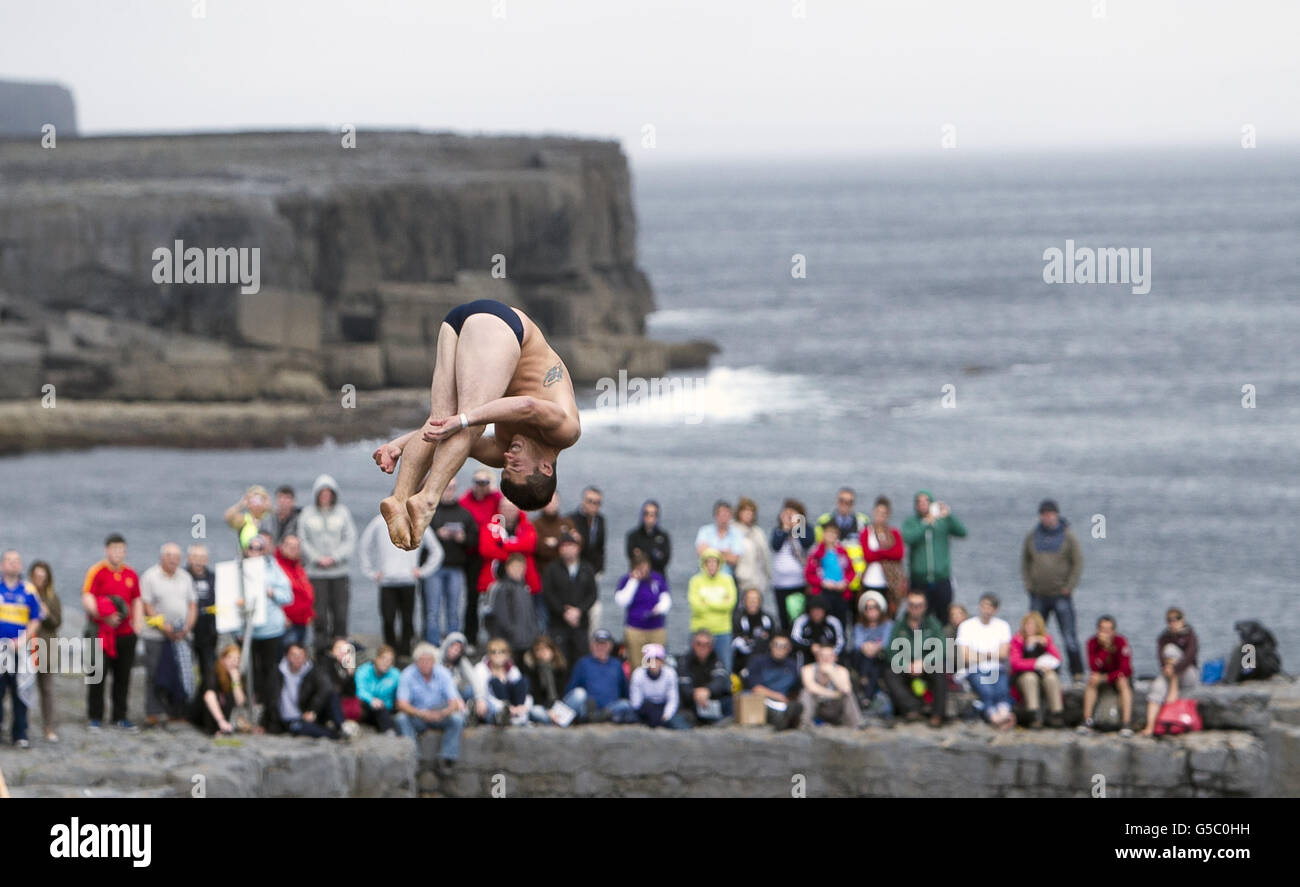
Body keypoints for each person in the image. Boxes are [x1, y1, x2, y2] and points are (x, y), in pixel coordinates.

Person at [373, 299, 583, 553]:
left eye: (506, 466)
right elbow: (528, 405)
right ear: (546, 467)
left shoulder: (501, 451)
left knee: (439, 420)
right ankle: (429, 500)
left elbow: (445, 433)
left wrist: (398, 446)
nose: (508, 457)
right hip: (503, 328)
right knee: (470, 424)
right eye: (515, 465)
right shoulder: (566, 432)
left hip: (456, 325)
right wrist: (465, 419)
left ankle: (399, 498)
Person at [82, 533, 144, 731]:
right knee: (97, 675)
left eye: (121, 550)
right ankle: (95, 716)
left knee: (123, 677)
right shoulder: (97, 571)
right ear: (107, 550)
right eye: (114, 549)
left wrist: (138, 627)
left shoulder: (131, 574)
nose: (118, 553)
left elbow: (136, 600)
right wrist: (101, 614)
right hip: (100, 632)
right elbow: (87, 596)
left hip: (125, 633)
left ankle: (120, 715)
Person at [360, 511, 441, 659]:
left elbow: (437, 550)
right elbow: (365, 545)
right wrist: (371, 572)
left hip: (408, 580)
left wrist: (422, 571)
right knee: (388, 618)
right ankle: (389, 652)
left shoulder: (417, 521)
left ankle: (405, 652)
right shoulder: (379, 522)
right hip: (387, 581)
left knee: (407, 619)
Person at [1021, 499, 1085, 682]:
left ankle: (1077, 673)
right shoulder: (1032, 536)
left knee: (1069, 636)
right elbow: (1025, 561)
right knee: (1033, 634)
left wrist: (1070, 586)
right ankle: (1034, 670)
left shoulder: (1068, 536)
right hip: (1038, 595)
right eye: (1044, 514)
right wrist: (1028, 584)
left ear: (1056, 515)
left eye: (1051, 514)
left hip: (1061, 595)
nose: (1048, 518)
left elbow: (1078, 563)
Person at [139, 542, 198, 727]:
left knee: (180, 673)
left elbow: (192, 604)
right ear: (162, 557)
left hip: (182, 635)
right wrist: (165, 628)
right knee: (155, 673)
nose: (174, 560)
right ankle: (153, 712)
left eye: (177, 557)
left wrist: (187, 627)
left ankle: (176, 711)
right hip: (155, 635)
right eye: (170, 556)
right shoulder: (150, 577)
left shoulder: (185, 577)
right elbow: (147, 606)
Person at [299, 474, 358, 654]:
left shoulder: (343, 513)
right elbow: (302, 539)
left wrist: (335, 557)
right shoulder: (307, 514)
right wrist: (317, 558)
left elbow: (350, 538)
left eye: (328, 492)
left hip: (339, 573)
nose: (325, 496)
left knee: (340, 616)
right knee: (319, 617)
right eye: (322, 492)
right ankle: (321, 654)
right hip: (316, 574)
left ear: (333, 494)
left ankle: (345, 661)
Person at [395, 642, 467, 771]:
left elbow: (454, 702)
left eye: (429, 660)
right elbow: (401, 704)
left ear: (434, 661)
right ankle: (414, 757)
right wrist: (421, 713)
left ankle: (447, 757)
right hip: (417, 714)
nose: (425, 664)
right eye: (422, 661)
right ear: (416, 662)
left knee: (457, 719)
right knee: (401, 719)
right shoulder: (407, 674)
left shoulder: (443, 673)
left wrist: (442, 713)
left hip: (440, 713)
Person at [425, 478, 478, 646]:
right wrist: (436, 534)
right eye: (446, 487)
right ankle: (433, 644)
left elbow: (474, 539)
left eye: (452, 487)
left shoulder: (464, 513)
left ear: (456, 489)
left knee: (453, 610)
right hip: (434, 568)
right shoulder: (429, 512)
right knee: (433, 610)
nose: (449, 491)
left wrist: (462, 538)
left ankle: (453, 645)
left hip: (455, 567)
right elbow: (418, 537)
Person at [884, 589, 949, 727]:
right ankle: (913, 708)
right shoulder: (899, 625)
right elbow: (890, 652)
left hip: (927, 666)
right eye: (912, 605)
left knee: (940, 670)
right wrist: (906, 665)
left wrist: (924, 663)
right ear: (907, 606)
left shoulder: (933, 623)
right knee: (889, 673)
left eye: (919, 605)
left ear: (924, 606)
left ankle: (938, 714)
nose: (915, 608)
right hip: (906, 667)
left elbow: (942, 648)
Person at [901, 490, 967, 622]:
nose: (922, 504)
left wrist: (949, 515)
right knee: (919, 617)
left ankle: (943, 641)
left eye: (926, 501)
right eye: (919, 502)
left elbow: (962, 532)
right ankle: (918, 642)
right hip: (919, 580)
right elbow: (907, 538)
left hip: (941, 579)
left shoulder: (942, 522)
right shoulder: (912, 522)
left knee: (943, 615)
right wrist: (925, 524)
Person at [477, 499, 541, 634]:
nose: (508, 511)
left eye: (511, 508)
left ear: (518, 509)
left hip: (523, 583)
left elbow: (530, 544)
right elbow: (486, 549)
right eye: (504, 507)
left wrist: (503, 545)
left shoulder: (526, 526)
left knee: (525, 617)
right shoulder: (490, 526)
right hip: (495, 583)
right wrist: (515, 552)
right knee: (494, 618)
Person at [245, 533, 294, 707]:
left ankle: (272, 706)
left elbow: (288, 596)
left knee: (271, 669)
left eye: (260, 548)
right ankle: (252, 705)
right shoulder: (239, 569)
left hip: (271, 630)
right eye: (252, 547)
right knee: (250, 670)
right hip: (249, 631)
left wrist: (272, 593)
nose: (255, 551)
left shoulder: (273, 568)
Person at [456, 468, 502, 647]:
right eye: (478, 482)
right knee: (472, 598)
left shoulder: (495, 499)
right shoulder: (464, 501)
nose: (481, 486)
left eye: (485, 483)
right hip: (472, 557)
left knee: (495, 598)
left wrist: (494, 489)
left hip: (491, 557)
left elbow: (507, 506)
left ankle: (495, 638)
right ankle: (471, 638)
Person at [262, 641, 345, 739]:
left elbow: (326, 688)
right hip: (289, 720)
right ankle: (336, 735)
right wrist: (264, 723)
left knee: (333, 695)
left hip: (307, 712)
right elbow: (270, 699)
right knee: (304, 729)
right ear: (286, 656)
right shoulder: (277, 673)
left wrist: (313, 710)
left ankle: (341, 726)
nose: (297, 659)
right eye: (294, 655)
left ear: (305, 657)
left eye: (301, 655)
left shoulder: (312, 671)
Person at [0, 550, 41, 748]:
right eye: (9, 561)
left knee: (20, 690)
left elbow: (36, 618)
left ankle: (20, 734)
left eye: (17, 561)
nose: (14, 564)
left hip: (20, 650)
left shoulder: (28, 590)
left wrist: (24, 639)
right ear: (2, 565)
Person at [956, 593, 1014, 729]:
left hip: (997, 668)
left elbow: (1004, 654)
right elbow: (964, 656)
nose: (986, 610)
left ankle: (1003, 715)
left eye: (990, 607)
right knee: (986, 691)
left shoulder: (1002, 626)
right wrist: (990, 655)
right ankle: (995, 718)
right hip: (974, 669)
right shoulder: (967, 626)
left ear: (995, 609)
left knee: (1002, 691)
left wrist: (978, 654)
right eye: (984, 606)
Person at [541, 536, 598, 669]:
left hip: (580, 623)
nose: (567, 550)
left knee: (581, 659)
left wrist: (579, 610)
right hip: (558, 624)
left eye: (571, 546)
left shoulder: (587, 568)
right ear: (560, 550)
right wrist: (564, 611)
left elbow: (592, 594)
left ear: (578, 548)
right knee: (561, 661)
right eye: (564, 546)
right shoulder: (552, 569)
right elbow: (548, 594)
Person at [1141, 608, 1200, 736]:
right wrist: (1166, 668)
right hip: (1168, 672)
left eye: (1177, 619)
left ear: (1182, 619)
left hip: (1188, 674)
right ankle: (1150, 726)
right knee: (1157, 687)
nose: (1173, 622)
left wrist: (1174, 670)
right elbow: (1161, 658)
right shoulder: (1163, 637)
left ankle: (1173, 688)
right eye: (1170, 620)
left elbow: (1190, 657)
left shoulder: (1190, 635)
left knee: (1170, 650)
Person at [560, 629, 634, 724]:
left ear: (610, 646)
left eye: (604, 644)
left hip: (610, 709)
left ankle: (602, 717)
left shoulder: (617, 665)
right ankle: (587, 717)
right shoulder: (583, 663)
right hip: (587, 708)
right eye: (597, 644)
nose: (601, 647)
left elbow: (625, 691)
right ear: (592, 645)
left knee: (625, 704)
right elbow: (571, 689)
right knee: (579, 694)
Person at [614, 550, 671, 671]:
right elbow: (622, 601)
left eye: (646, 566)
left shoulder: (657, 579)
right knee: (637, 665)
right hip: (635, 629)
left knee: (654, 665)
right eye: (640, 567)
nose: (644, 570)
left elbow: (666, 600)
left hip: (655, 628)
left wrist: (659, 608)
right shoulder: (626, 580)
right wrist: (633, 581)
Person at [1079, 615, 1134, 736]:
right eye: (1102, 629)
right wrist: (1105, 650)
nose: (1105, 633)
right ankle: (1087, 720)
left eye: (1108, 630)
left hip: (1117, 676)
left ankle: (1126, 723)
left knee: (1123, 681)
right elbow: (1094, 666)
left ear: (1114, 631)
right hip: (1101, 675)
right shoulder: (1092, 643)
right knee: (1092, 680)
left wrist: (1107, 677)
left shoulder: (1121, 642)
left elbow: (1126, 669)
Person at [1009, 611, 1065, 728]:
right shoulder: (1018, 640)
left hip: (1042, 676)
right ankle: (1033, 713)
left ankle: (1056, 712)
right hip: (1023, 677)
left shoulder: (1045, 640)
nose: (1030, 628)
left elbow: (1057, 659)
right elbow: (1015, 663)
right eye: (1027, 625)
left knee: (1051, 677)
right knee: (1030, 678)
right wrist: (1036, 664)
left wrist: (1046, 645)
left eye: (1033, 625)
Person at [484, 552, 540, 662]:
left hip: (527, 641)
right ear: (507, 568)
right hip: (511, 642)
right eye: (515, 566)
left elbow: (531, 614)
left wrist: (534, 633)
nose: (518, 570)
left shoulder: (525, 588)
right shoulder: (503, 588)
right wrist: (514, 633)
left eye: (521, 567)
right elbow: (502, 615)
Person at [688, 549, 738, 672]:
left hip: (722, 630)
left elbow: (730, 605)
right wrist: (720, 603)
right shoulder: (695, 581)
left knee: (725, 665)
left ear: (719, 564)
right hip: (699, 630)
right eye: (708, 562)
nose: (711, 565)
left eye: (714, 562)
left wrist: (707, 602)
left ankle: (725, 691)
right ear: (703, 564)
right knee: (696, 667)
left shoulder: (727, 580)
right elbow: (696, 606)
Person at [814, 487, 870, 598]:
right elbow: (818, 551)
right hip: (831, 581)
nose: (845, 504)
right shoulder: (824, 521)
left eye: (849, 502)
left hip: (856, 580)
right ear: (837, 501)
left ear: (853, 504)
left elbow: (868, 551)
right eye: (842, 501)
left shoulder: (862, 522)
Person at [740, 633, 804, 730]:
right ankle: (780, 718)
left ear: (789, 648)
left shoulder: (792, 665)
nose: (779, 648)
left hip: (784, 702)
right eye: (776, 645)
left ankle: (783, 718)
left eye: (784, 646)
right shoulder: (758, 661)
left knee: (796, 705)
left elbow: (796, 689)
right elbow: (755, 688)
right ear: (771, 645)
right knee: (748, 697)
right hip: (762, 699)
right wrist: (777, 696)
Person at [27, 560, 61, 742]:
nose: (40, 579)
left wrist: (46, 613)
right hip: (26, 648)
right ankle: (22, 728)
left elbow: (57, 622)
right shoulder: (25, 593)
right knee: (23, 688)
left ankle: (49, 727)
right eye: (36, 575)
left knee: (47, 689)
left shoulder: (51, 597)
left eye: (43, 576)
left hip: (46, 648)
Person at [859, 496, 906, 616]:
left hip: (889, 583)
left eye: (884, 513)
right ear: (873, 512)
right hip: (870, 581)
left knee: (888, 616)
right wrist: (886, 553)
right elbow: (868, 556)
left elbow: (899, 554)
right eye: (878, 512)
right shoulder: (866, 532)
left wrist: (878, 552)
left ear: (888, 514)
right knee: (868, 615)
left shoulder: (893, 533)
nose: (880, 515)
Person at [769, 498, 811, 632]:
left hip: (799, 582)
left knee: (800, 614)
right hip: (780, 584)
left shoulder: (805, 529)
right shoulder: (778, 530)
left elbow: (807, 542)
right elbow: (775, 545)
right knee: (783, 617)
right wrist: (785, 528)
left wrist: (797, 527)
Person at [190, 644, 249, 736]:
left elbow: (240, 702)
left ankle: (224, 725)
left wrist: (235, 681)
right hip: (206, 714)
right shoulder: (213, 674)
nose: (234, 661)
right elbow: (209, 696)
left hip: (225, 715)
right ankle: (219, 725)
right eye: (230, 658)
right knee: (211, 695)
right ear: (222, 659)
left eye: (237, 658)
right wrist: (221, 721)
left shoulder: (237, 676)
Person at [475, 638, 537, 726]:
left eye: (502, 651)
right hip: (494, 707)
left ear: (507, 654)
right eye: (494, 652)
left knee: (524, 680)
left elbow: (524, 692)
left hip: (515, 706)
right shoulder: (481, 668)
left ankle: (519, 717)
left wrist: (522, 707)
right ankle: (505, 715)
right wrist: (506, 708)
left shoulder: (512, 669)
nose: (497, 655)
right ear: (489, 654)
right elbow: (483, 695)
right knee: (495, 682)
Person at [677, 630, 733, 727]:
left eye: (706, 644)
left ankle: (718, 721)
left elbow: (720, 680)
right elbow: (684, 685)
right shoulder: (684, 660)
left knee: (730, 702)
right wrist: (696, 693)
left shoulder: (717, 660)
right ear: (693, 645)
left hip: (711, 699)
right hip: (693, 700)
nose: (702, 648)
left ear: (711, 646)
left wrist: (707, 690)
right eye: (699, 644)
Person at [800, 641, 862, 727]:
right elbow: (810, 687)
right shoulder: (808, 669)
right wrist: (834, 694)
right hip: (817, 707)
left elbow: (846, 689)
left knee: (848, 695)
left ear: (835, 657)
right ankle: (804, 725)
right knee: (806, 693)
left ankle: (856, 725)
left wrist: (832, 672)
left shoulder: (842, 670)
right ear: (817, 657)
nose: (826, 659)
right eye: (822, 656)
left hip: (835, 708)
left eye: (829, 656)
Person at [804, 521, 855, 625]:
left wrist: (845, 582)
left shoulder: (842, 552)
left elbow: (851, 571)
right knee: (824, 621)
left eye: (834, 533)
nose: (831, 536)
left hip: (840, 592)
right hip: (823, 593)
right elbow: (809, 574)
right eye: (829, 533)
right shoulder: (816, 552)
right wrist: (823, 583)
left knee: (842, 621)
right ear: (823, 534)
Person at [849, 590, 893, 705]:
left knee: (874, 664)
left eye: (874, 607)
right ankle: (867, 696)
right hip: (862, 658)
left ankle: (865, 683)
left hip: (880, 658)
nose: (871, 611)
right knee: (867, 658)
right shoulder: (859, 626)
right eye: (867, 608)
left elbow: (886, 642)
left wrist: (874, 647)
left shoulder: (888, 624)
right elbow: (857, 644)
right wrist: (868, 647)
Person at [185, 544, 218, 692]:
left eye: (202, 558)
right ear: (189, 559)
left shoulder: (213, 578)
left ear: (207, 560)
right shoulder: (182, 577)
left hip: (208, 632)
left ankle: (208, 698)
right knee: (186, 668)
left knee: (209, 668)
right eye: (195, 557)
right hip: (187, 630)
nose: (198, 561)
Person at [275, 535, 315, 650]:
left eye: (297, 547)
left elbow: (305, 592)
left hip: (301, 621)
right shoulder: (277, 567)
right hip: (287, 623)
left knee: (300, 658)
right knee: (287, 657)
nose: (293, 550)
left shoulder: (297, 566)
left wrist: (309, 613)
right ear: (281, 546)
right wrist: (281, 616)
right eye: (290, 546)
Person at [439, 632, 489, 722]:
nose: (455, 651)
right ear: (447, 646)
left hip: (458, 694)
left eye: (459, 649)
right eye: (453, 647)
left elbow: (475, 680)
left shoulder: (461, 661)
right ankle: (467, 716)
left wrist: (481, 699)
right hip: (441, 697)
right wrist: (456, 699)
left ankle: (496, 714)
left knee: (475, 692)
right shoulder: (436, 660)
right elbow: (444, 686)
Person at [629, 644, 681, 728]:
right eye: (649, 660)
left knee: (678, 722)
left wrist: (666, 715)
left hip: (663, 707)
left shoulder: (670, 673)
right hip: (644, 708)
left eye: (657, 659)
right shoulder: (638, 674)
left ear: (662, 661)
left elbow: (673, 699)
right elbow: (636, 702)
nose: (653, 663)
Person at [320, 637, 362, 739]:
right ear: (332, 651)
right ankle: (341, 726)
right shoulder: (326, 663)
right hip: (325, 702)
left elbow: (351, 692)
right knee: (333, 694)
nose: (342, 651)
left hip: (342, 701)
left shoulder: (344, 666)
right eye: (339, 648)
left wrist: (350, 674)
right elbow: (330, 687)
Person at [355, 644, 401, 735]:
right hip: (367, 707)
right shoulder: (363, 671)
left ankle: (390, 733)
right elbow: (359, 690)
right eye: (383, 659)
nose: (386, 663)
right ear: (376, 658)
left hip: (386, 710)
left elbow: (401, 693)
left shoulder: (395, 674)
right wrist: (371, 700)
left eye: (389, 660)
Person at [532, 491, 579, 576]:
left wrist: (555, 543)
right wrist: (564, 543)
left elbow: (578, 543)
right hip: (543, 573)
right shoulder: (535, 525)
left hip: (566, 574)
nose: (551, 504)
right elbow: (539, 549)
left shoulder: (567, 522)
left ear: (558, 502)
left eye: (554, 501)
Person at [733, 497, 772, 600]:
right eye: (745, 511)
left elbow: (766, 556)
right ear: (739, 512)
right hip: (741, 582)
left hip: (758, 581)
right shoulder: (733, 531)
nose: (748, 514)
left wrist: (768, 575)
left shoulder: (758, 532)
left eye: (751, 511)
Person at [731, 587, 775, 676]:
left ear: (760, 601)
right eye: (750, 599)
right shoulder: (737, 619)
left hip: (763, 658)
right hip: (742, 660)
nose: (753, 602)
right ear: (744, 601)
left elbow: (772, 639)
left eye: (756, 599)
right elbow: (734, 642)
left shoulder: (767, 619)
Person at [790, 594, 846, 664]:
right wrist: (810, 646)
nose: (816, 613)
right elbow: (794, 639)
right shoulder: (801, 620)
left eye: (819, 610)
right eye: (813, 610)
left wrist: (827, 653)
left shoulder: (833, 622)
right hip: (807, 656)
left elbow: (841, 642)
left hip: (830, 656)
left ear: (825, 610)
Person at [520, 635, 568, 715]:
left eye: (546, 648)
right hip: (544, 707)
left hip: (562, 704)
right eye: (538, 650)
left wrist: (558, 707)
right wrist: (549, 710)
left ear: (553, 650)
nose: (543, 652)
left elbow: (565, 691)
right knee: (535, 711)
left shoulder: (560, 668)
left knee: (579, 694)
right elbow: (536, 697)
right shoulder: (532, 670)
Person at [694, 500, 745, 576]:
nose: (723, 517)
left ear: (731, 516)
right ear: (716, 515)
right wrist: (725, 553)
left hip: (727, 574)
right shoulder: (705, 531)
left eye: (726, 514)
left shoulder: (737, 533)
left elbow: (734, 559)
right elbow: (701, 552)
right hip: (705, 573)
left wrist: (711, 550)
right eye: (721, 514)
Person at [568, 486, 607, 578]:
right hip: (576, 570)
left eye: (597, 503)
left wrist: (600, 568)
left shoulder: (600, 520)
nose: (593, 506)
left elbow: (601, 546)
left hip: (594, 570)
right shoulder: (571, 520)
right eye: (590, 501)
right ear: (583, 501)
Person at [625, 499, 671, 575]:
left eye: (653, 514)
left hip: (658, 576)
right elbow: (632, 557)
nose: (649, 517)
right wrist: (654, 553)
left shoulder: (663, 536)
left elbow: (664, 560)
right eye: (646, 514)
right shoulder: (633, 536)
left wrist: (642, 553)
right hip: (638, 576)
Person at [223, 484, 273, 550]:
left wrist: (270, 507)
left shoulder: (271, 519)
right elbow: (228, 517)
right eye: (253, 501)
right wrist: (241, 505)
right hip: (248, 558)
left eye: (260, 500)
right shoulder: (244, 520)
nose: (256, 505)